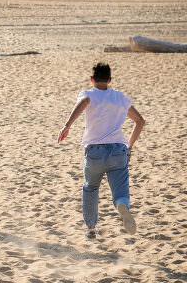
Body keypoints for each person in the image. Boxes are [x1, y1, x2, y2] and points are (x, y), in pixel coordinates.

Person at [57, 62, 145, 239]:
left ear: (92, 79)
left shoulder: (89, 94)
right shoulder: (120, 97)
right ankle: (122, 205)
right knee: (120, 190)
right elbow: (140, 121)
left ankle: (91, 228)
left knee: (90, 188)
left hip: (95, 152)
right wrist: (129, 147)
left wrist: (67, 125)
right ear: (110, 80)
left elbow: (84, 103)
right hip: (118, 150)